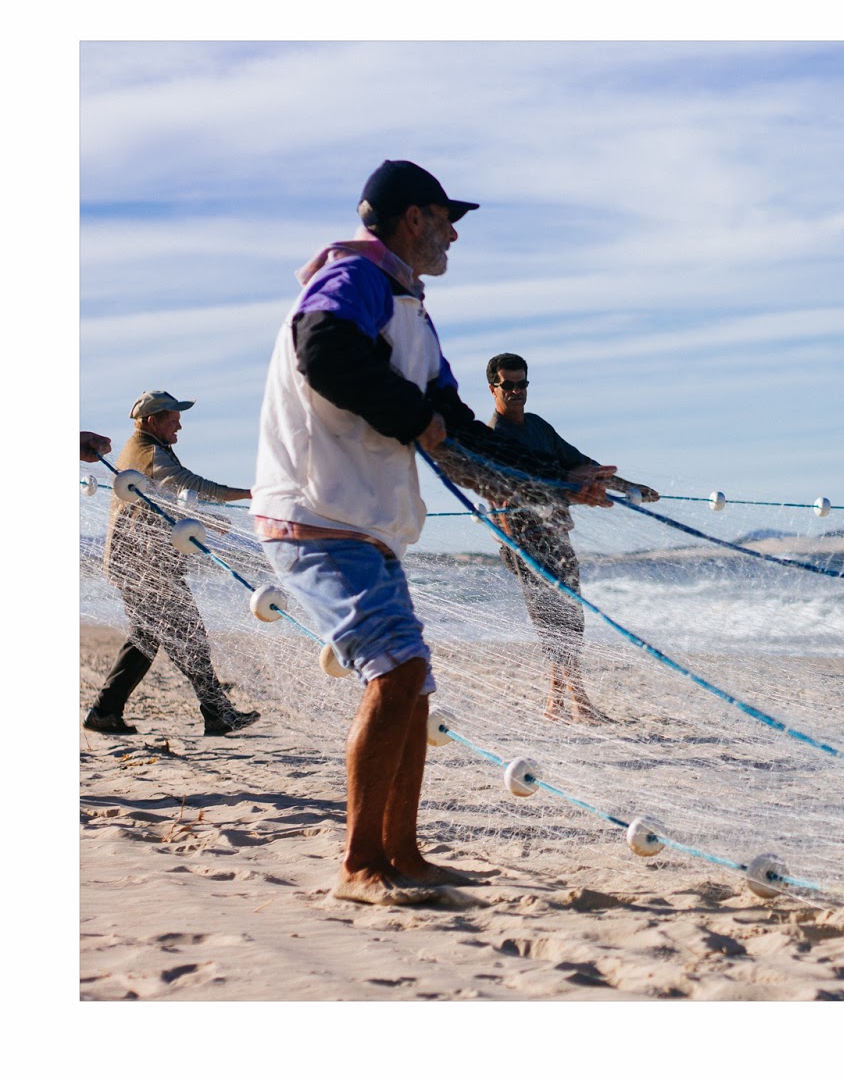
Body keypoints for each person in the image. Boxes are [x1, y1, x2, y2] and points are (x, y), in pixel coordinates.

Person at [252, 160, 613, 907]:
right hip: (315, 515)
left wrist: (558, 482)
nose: (454, 234)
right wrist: (413, 417)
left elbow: (463, 436)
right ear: (413, 218)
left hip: (364, 523)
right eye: (448, 219)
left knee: (412, 680)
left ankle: (404, 854)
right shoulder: (352, 279)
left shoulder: (410, 309)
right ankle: (360, 866)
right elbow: (322, 351)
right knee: (398, 674)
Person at [485, 351, 658, 723]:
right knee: (552, 621)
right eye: (508, 385)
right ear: (493, 389)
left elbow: (583, 468)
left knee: (570, 620)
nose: (516, 391)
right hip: (523, 543)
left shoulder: (538, 427)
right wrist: (520, 543)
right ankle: (572, 702)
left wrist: (630, 487)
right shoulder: (493, 438)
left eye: (522, 384)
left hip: (556, 536)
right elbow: (513, 492)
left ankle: (560, 703)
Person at [84, 391, 259, 737]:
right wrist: (249, 494)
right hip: (144, 567)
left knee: (146, 639)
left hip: (139, 565)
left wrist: (205, 518)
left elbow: (164, 501)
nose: (180, 423)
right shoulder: (149, 452)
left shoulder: (149, 449)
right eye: (173, 417)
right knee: (188, 635)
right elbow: (191, 485)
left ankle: (105, 713)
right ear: (152, 421)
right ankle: (217, 714)